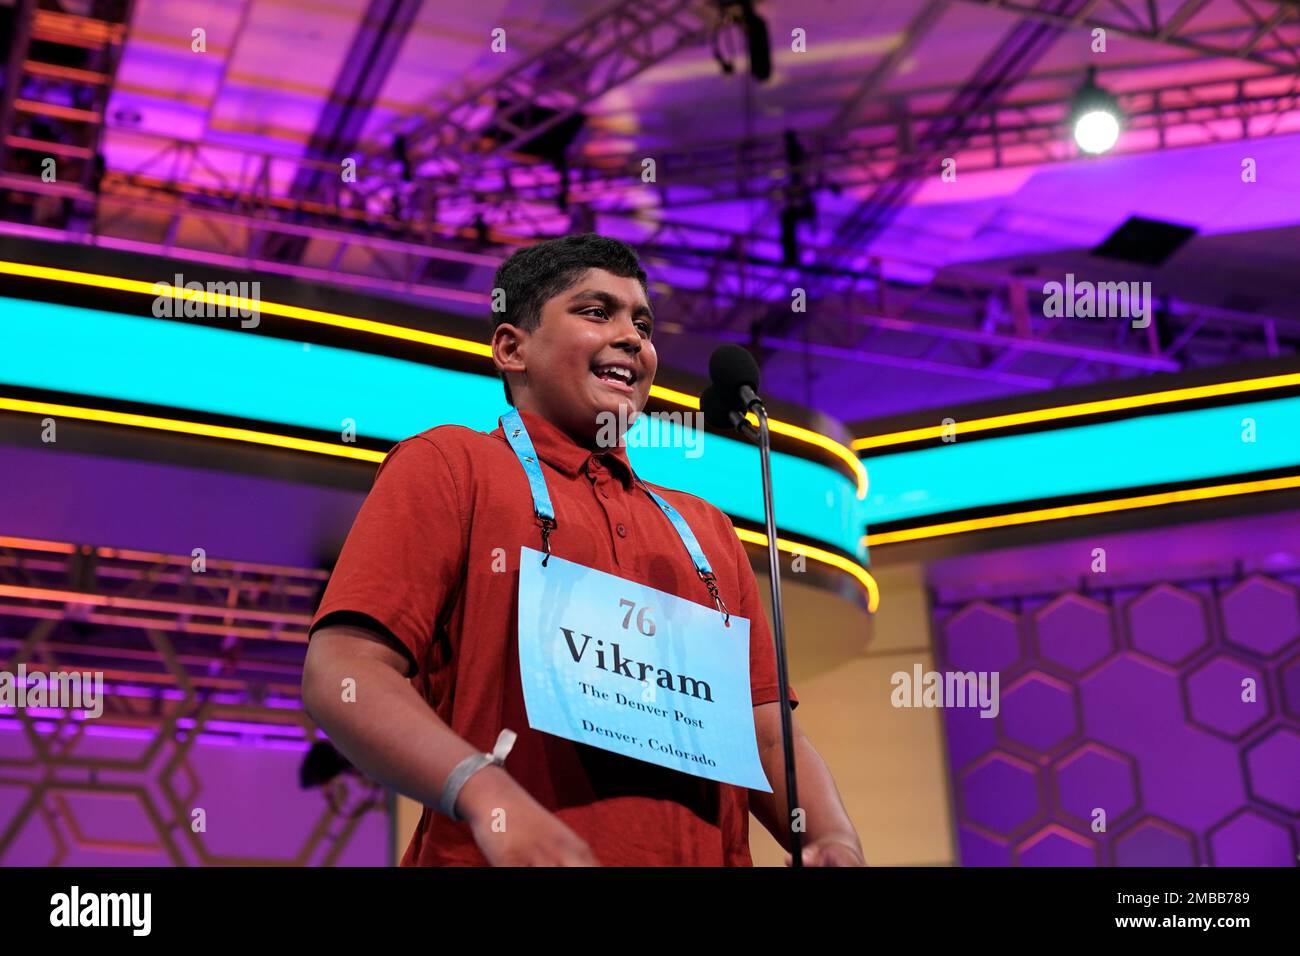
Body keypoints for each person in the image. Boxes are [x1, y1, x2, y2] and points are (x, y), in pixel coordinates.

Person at [301, 233, 863, 866]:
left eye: (642, 324)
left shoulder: (706, 529)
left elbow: (764, 735)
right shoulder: (451, 466)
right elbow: (344, 670)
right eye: (597, 312)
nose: (633, 338)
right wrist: (491, 799)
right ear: (512, 348)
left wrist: (831, 838)